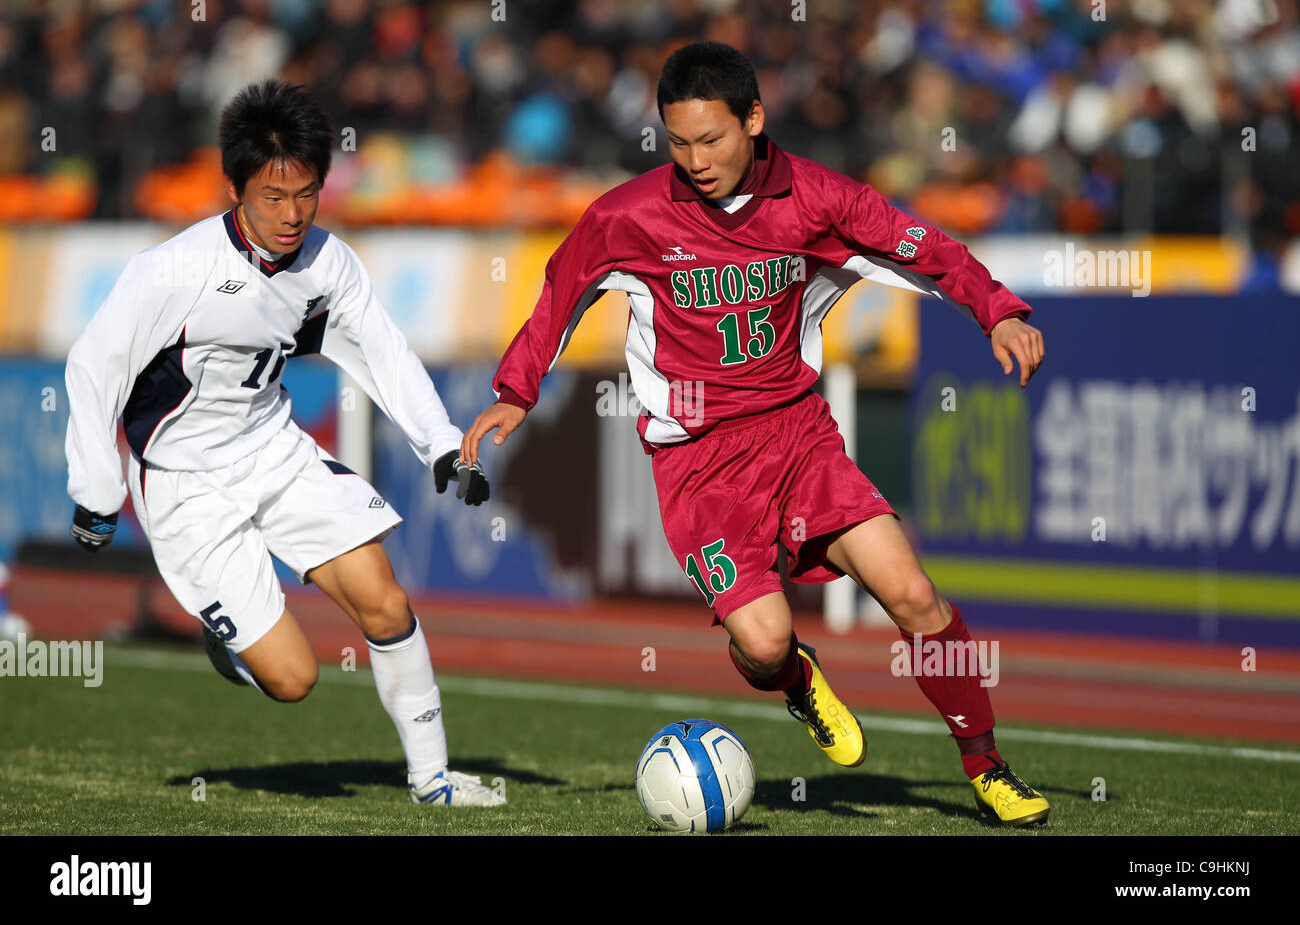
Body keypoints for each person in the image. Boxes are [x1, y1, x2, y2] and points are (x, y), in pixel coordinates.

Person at [463, 42, 1049, 825]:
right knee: (766, 645)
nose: (696, 161)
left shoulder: (819, 196)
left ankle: (987, 766)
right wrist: (516, 392)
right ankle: (797, 680)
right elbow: (560, 292)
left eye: (711, 139)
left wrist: (997, 311)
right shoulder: (626, 216)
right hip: (698, 462)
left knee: (911, 592)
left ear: (754, 119)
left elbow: (925, 248)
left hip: (797, 435)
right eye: (679, 143)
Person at [64, 80, 503, 807]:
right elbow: (94, 364)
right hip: (184, 483)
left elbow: (384, 352)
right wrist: (96, 490)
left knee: (385, 602)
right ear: (234, 189)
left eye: (306, 194)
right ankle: (233, 642)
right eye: (273, 196)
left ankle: (433, 780)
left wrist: (440, 444)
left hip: (274, 449)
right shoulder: (174, 270)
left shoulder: (329, 263)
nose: (293, 213)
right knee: (294, 680)